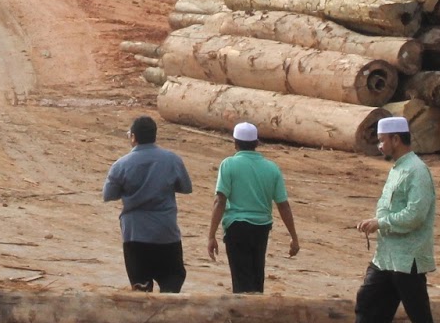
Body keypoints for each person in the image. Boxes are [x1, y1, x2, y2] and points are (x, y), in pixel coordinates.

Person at [319, 115, 440, 323]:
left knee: (418, 314)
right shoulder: (398, 168)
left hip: (407, 256)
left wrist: (380, 223)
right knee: (368, 301)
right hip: (387, 254)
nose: (379, 145)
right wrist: (378, 222)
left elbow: (415, 215)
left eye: (382, 140)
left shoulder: (417, 171)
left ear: (396, 139)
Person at [206, 121, 299, 293]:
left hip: (236, 227)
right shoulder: (272, 168)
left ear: (235, 142)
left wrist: (211, 235)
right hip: (261, 229)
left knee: (241, 280)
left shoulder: (228, 165)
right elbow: (283, 205)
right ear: (256, 143)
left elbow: (220, 200)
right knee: (257, 277)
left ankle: (245, 316)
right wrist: (294, 237)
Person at [102, 115, 193, 292]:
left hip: (135, 233)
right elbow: (186, 188)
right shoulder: (172, 159)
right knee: (172, 280)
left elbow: (108, 195)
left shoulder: (121, 165)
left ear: (133, 137)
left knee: (140, 286)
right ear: (154, 136)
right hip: (165, 232)